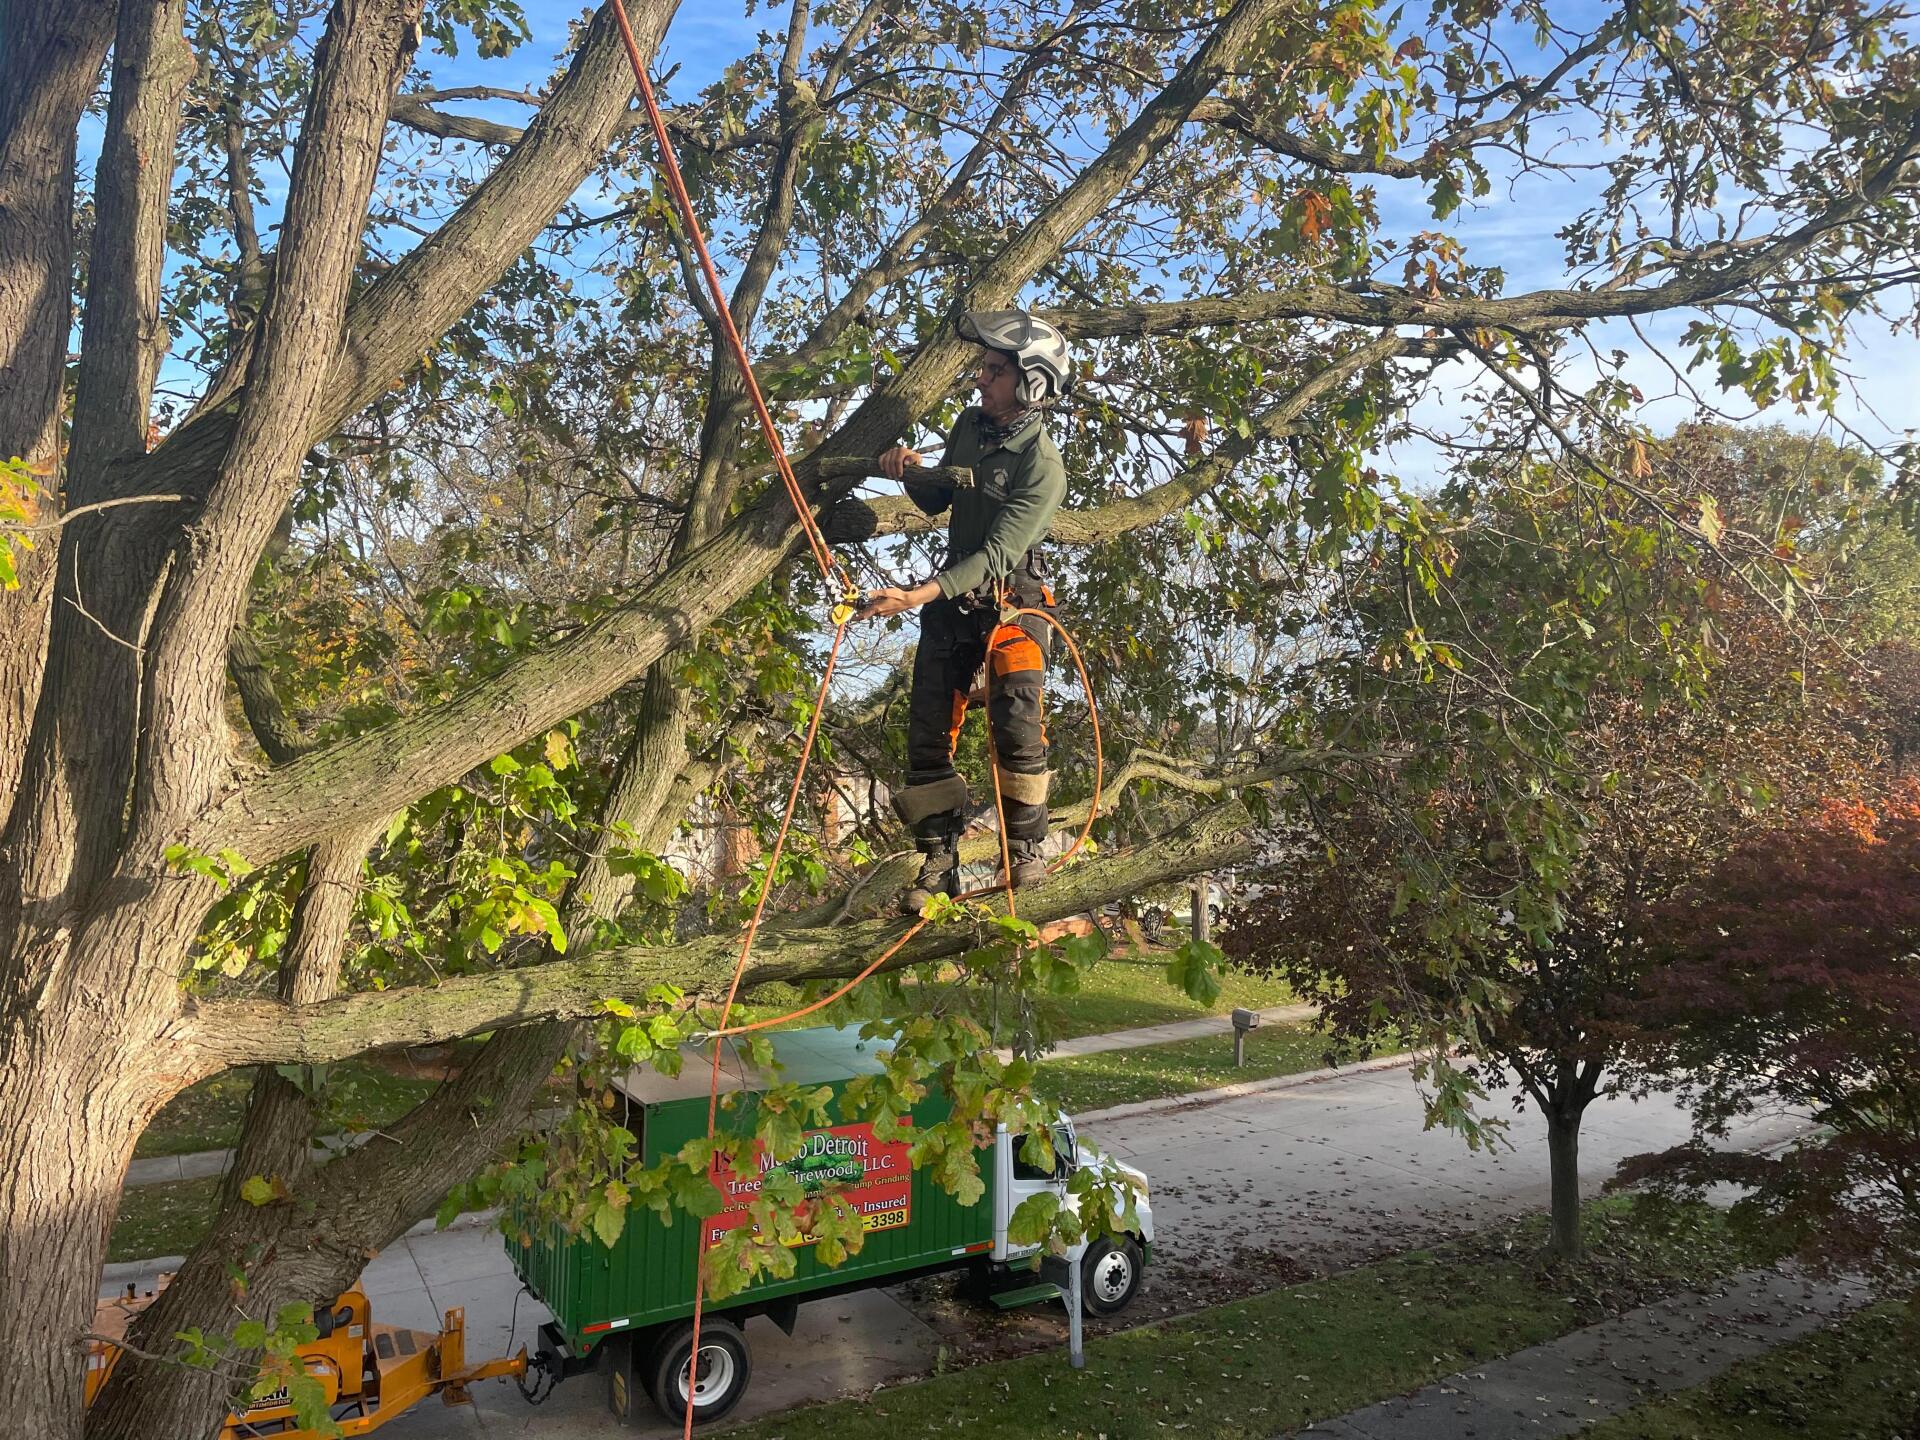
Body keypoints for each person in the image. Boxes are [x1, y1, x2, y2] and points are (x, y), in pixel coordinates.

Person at [856, 309, 1072, 914]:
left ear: (1030, 382)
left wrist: (919, 593)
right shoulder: (970, 427)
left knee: (1017, 728)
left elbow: (1001, 552)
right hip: (954, 603)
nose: (980, 378)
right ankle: (938, 860)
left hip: (1011, 601)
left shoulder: (1041, 465)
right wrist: (906, 470)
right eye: (983, 367)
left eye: (994, 370)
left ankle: (1025, 851)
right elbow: (936, 499)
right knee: (928, 733)